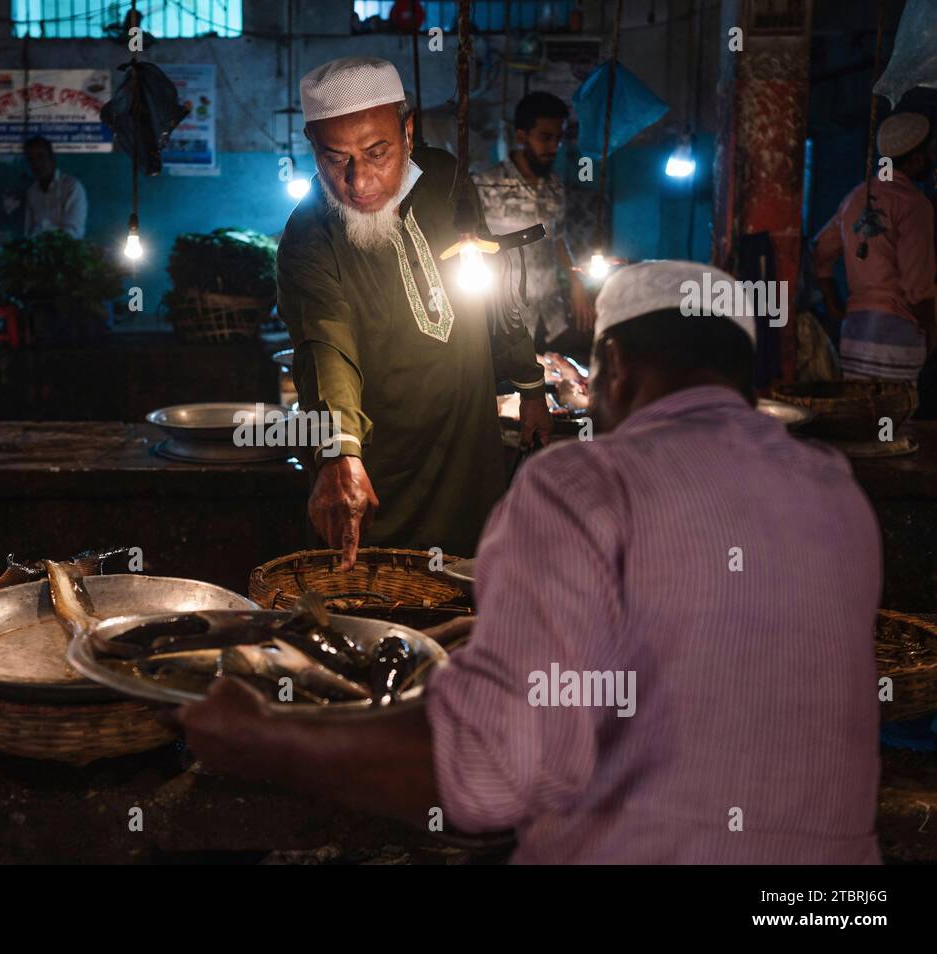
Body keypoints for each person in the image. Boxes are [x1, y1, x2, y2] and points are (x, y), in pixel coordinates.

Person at [176, 259, 882, 864]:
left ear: (615, 369)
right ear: (743, 384)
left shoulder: (581, 483)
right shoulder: (835, 493)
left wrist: (263, 739)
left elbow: (490, 769)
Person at [278, 57, 550, 570]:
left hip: (470, 440)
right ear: (313, 147)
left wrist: (530, 385)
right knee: (382, 601)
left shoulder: (446, 177)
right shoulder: (310, 234)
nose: (358, 182)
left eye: (376, 153)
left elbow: (492, 282)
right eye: (336, 159)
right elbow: (324, 345)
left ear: (407, 130)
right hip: (384, 462)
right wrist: (340, 453)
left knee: (474, 590)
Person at [813, 112, 936, 381]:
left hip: (854, 336)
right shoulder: (913, 204)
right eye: (929, 153)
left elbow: (819, 249)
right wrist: (930, 337)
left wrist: (835, 306)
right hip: (897, 340)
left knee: (862, 419)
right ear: (915, 159)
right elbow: (919, 287)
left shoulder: (855, 197)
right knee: (893, 419)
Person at [474, 92, 596, 350]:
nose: (554, 147)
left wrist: (576, 282)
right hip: (504, 321)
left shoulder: (555, 187)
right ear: (521, 136)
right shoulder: (485, 186)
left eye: (559, 139)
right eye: (545, 137)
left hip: (551, 317)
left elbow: (558, 238)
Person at [23, 136, 88, 238]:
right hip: (37, 251)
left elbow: (73, 232)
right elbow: (29, 231)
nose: (37, 164)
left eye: (41, 157)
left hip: (67, 250)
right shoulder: (32, 192)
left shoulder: (71, 187)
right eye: (32, 160)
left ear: (52, 158)